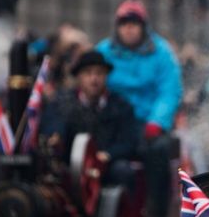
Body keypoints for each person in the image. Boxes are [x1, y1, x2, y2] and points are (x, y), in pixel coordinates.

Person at [97, 0, 183, 217]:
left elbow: (170, 90)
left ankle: (155, 214)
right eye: (124, 25)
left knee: (157, 152)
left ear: (143, 27)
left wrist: (157, 121)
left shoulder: (162, 53)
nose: (129, 30)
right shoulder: (104, 51)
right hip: (115, 125)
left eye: (134, 25)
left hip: (148, 125)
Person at [40, 50, 139, 191]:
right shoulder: (61, 103)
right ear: (79, 77)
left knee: (123, 171)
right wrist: (56, 137)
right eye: (88, 73)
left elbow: (129, 141)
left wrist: (108, 154)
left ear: (106, 76)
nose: (94, 79)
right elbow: (54, 126)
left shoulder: (121, 106)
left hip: (107, 167)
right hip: (72, 167)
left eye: (99, 73)